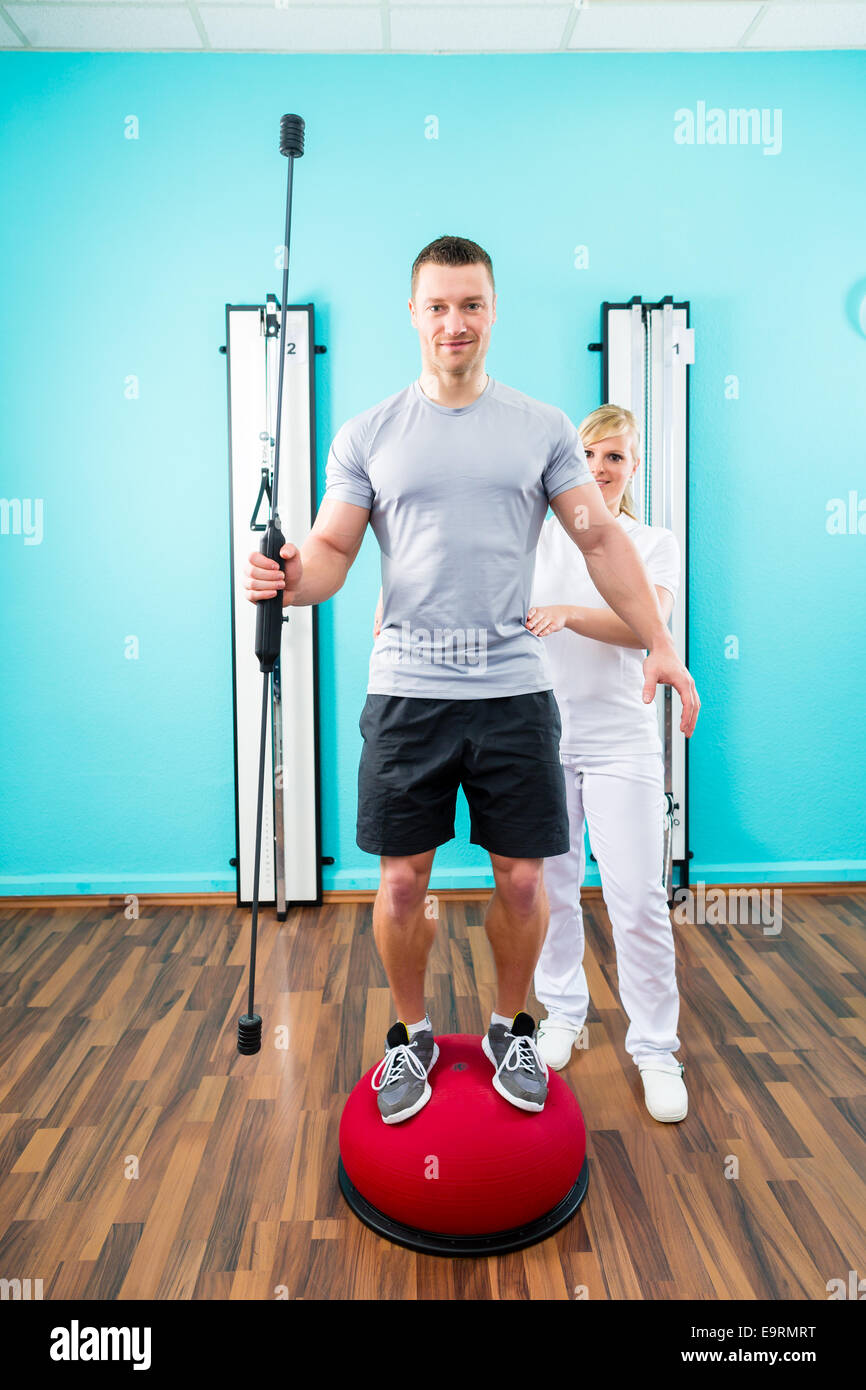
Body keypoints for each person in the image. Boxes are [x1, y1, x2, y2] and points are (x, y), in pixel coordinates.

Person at [244, 235, 700, 1125]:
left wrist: (661, 643)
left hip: (512, 693)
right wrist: (291, 579)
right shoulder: (368, 433)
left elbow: (600, 540)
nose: (455, 322)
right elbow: (333, 548)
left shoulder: (542, 428)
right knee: (400, 884)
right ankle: (410, 1035)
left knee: (526, 883)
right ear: (414, 314)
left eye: (471, 305)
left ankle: (510, 1028)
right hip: (408, 690)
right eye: (439, 306)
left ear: (493, 312)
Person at [526, 404, 689, 1122]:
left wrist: (567, 613)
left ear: (634, 468)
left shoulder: (653, 544)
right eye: (589, 455)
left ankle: (656, 1050)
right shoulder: (538, 536)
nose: (599, 469)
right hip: (542, 737)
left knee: (638, 901)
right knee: (550, 890)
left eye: (615, 456)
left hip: (622, 740)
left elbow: (646, 626)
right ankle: (562, 1012)